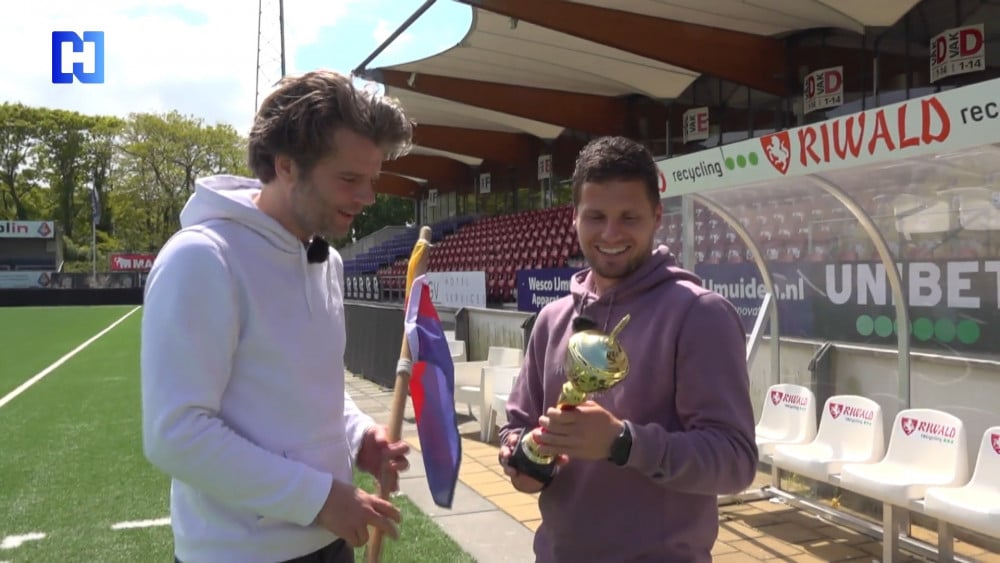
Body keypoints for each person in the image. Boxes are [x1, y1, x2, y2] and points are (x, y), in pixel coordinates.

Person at [140, 70, 415, 563]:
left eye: (371, 178)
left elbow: (310, 389)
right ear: (287, 166)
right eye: (349, 179)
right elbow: (175, 434)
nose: (368, 197)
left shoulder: (326, 260)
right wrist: (322, 498)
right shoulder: (203, 258)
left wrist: (358, 437)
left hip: (332, 540)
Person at [498, 136, 758, 562]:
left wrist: (623, 442)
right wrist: (522, 457)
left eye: (629, 217)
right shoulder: (552, 319)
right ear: (575, 218)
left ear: (657, 216)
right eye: (596, 216)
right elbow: (517, 426)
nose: (611, 233)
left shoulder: (698, 314)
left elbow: (736, 461)